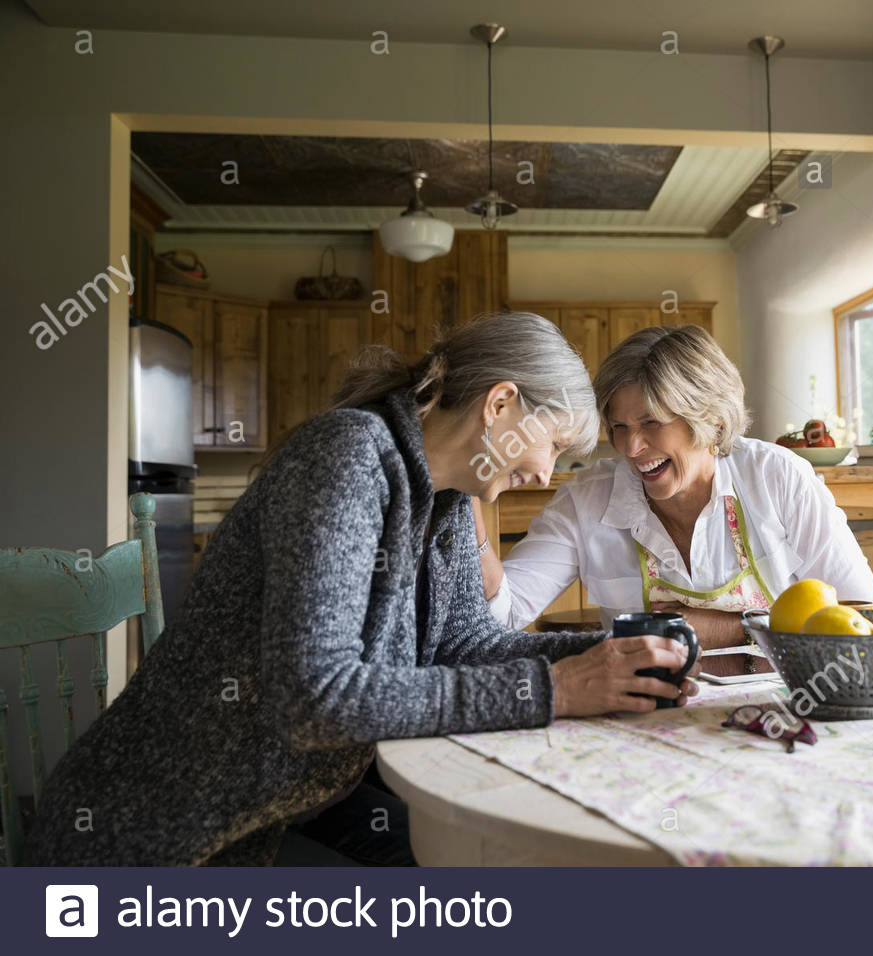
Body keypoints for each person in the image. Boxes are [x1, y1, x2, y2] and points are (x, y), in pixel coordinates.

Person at [22, 312, 696, 867]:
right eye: (554, 445)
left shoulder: (448, 503)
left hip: (259, 821)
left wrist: (614, 655)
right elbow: (315, 697)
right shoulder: (346, 457)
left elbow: (466, 644)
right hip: (138, 839)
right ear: (500, 405)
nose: (547, 470)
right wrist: (561, 688)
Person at [478, 324, 873, 670]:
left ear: (709, 418)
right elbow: (504, 616)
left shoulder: (777, 476)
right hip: (651, 717)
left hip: (781, 706)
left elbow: (862, 613)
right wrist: (468, 496)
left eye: (651, 422)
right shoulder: (585, 500)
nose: (631, 447)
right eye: (619, 426)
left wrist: (732, 627)